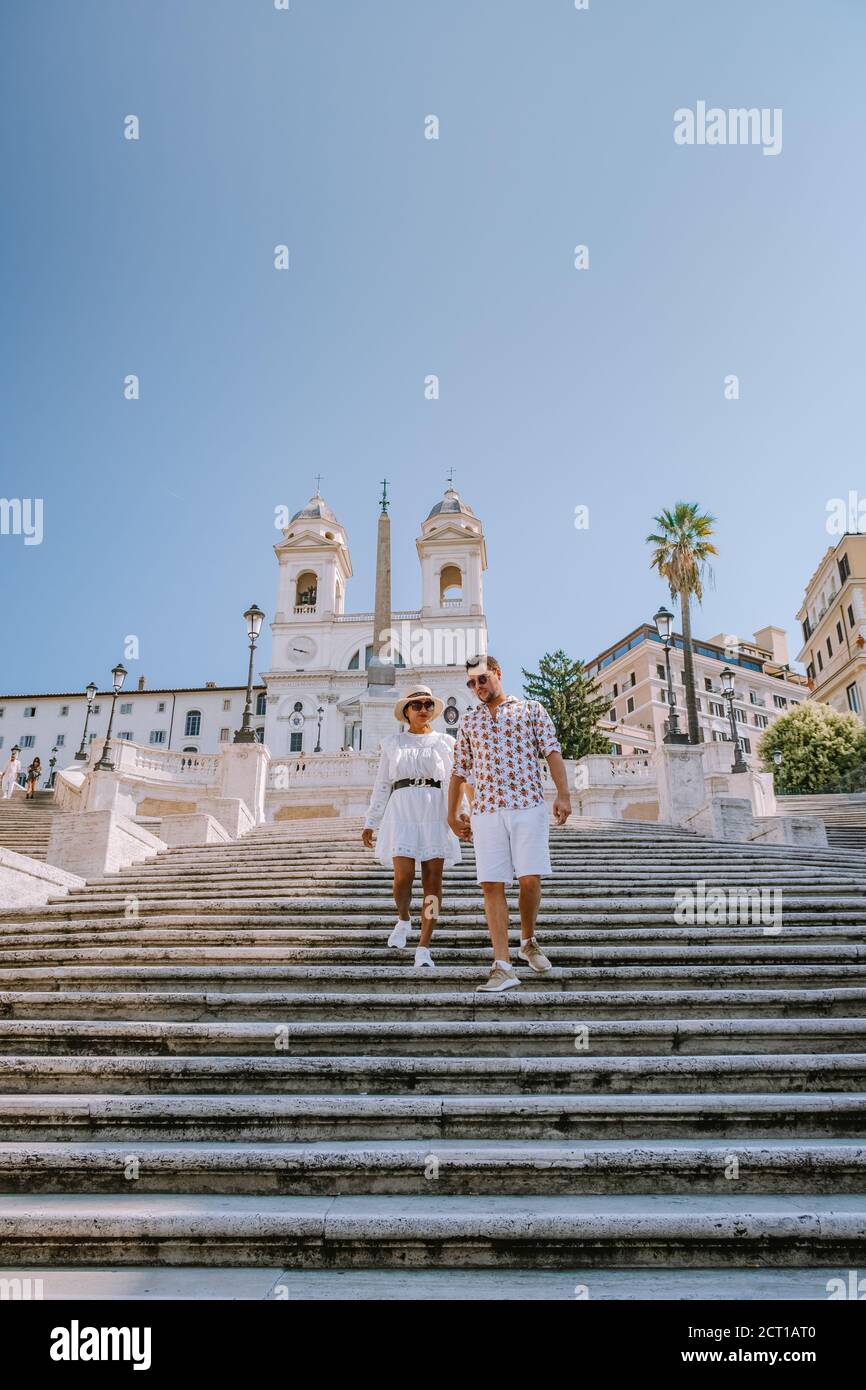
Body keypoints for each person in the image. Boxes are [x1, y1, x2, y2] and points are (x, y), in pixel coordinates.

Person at [447, 653, 572, 992]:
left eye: (482, 679)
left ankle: (528, 940)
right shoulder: (469, 722)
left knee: (530, 878)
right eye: (471, 684)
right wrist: (452, 810)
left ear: (497, 673)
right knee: (491, 884)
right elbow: (459, 769)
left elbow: (551, 750)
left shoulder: (531, 709)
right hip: (486, 811)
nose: (477, 687)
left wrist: (563, 793)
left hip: (528, 805)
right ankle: (502, 965)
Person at [361, 686, 463, 969]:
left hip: (434, 809)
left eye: (428, 704)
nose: (423, 709)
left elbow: (455, 781)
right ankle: (404, 918)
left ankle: (424, 945)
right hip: (402, 809)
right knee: (403, 876)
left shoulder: (445, 742)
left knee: (433, 883)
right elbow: (382, 784)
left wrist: (460, 816)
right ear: (406, 711)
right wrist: (371, 821)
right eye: (416, 704)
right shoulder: (392, 743)